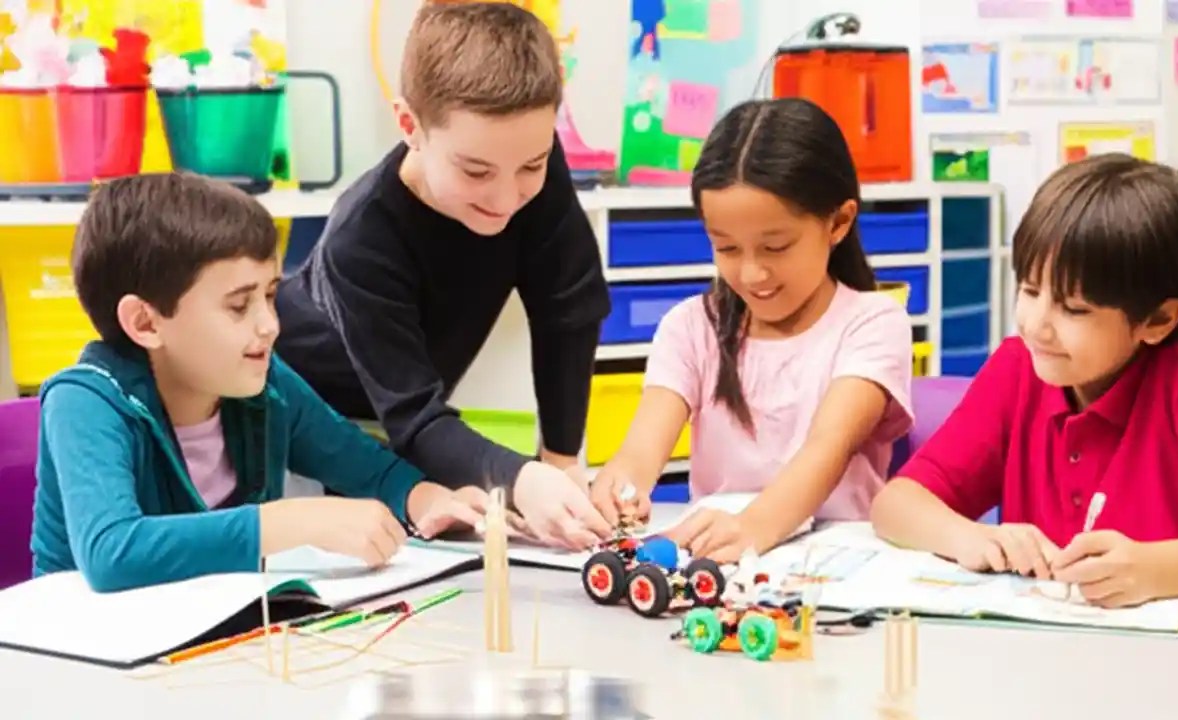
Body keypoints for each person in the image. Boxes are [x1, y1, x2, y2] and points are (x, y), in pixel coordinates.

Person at [31, 173, 489, 593]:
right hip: (87, 664)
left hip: (212, 650)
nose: (270, 325)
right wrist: (287, 522)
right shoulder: (85, 401)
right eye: (238, 306)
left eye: (270, 296)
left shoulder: (265, 383)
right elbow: (114, 552)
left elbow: (369, 469)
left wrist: (428, 501)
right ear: (146, 323)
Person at [870, 154, 1178, 608]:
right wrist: (968, 537)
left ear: (1159, 319)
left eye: (1075, 309)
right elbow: (896, 505)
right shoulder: (1017, 369)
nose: (1037, 325)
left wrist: (1154, 570)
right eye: (1029, 290)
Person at [273, 2, 610, 550]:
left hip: (408, 420)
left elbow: (568, 307)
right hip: (308, 418)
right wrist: (523, 480)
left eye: (533, 165)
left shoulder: (526, 162)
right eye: (475, 170)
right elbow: (415, 419)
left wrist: (562, 460)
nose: (508, 199)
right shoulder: (362, 238)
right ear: (410, 125)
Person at [589, 98, 915, 563]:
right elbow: (641, 451)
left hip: (835, 565)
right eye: (726, 247)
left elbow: (827, 447)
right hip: (720, 562)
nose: (751, 273)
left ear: (838, 222)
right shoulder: (690, 327)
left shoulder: (872, 324)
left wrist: (754, 528)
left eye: (776, 247)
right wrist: (620, 489)